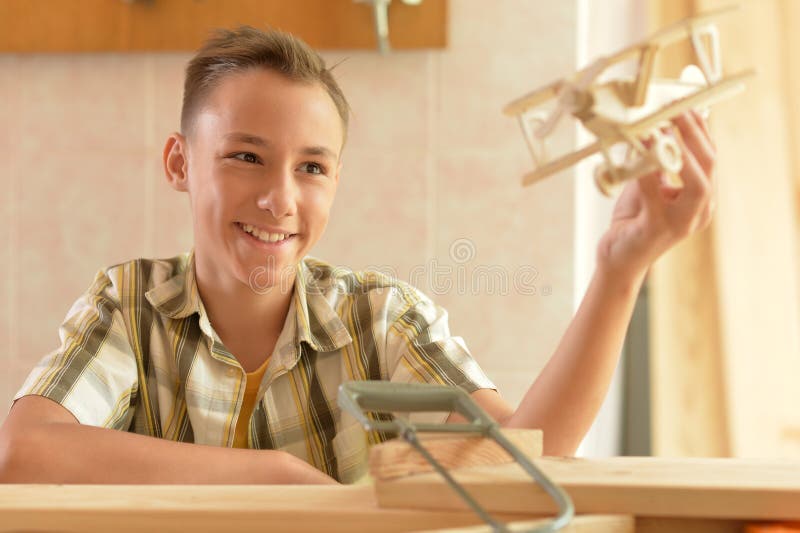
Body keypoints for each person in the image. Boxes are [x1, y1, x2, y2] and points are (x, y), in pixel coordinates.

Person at [0, 27, 715, 485]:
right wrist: (270, 476)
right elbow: (24, 454)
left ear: (337, 179)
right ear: (180, 163)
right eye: (246, 156)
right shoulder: (127, 306)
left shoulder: (380, 318)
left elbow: (519, 454)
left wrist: (621, 269)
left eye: (312, 168)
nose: (280, 198)